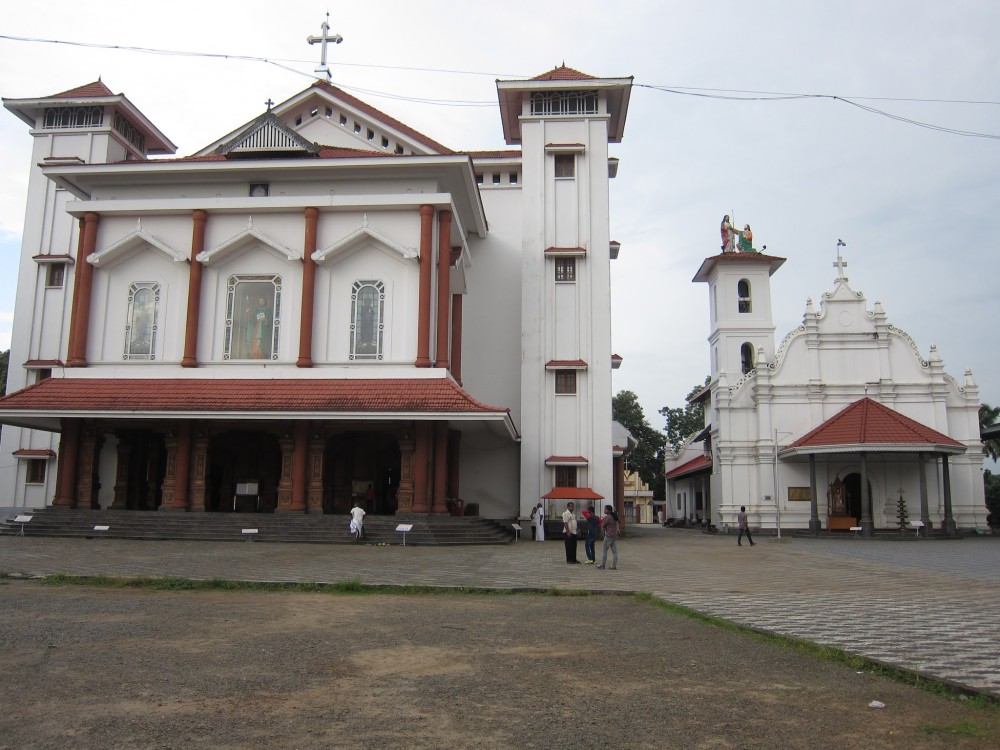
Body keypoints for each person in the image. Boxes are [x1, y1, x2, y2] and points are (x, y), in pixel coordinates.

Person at [598, 505, 620, 570]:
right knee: (614, 551)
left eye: (605, 509)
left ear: (609, 511)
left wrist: (602, 535)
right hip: (615, 536)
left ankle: (602, 565)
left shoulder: (607, 517)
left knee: (604, 550)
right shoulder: (614, 516)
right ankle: (613, 566)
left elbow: (603, 526)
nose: (604, 510)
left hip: (608, 536)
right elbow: (617, 524)